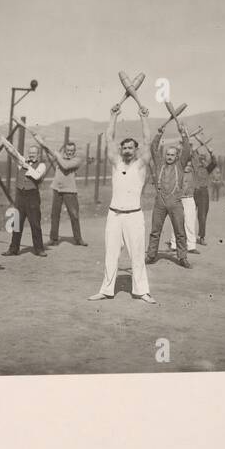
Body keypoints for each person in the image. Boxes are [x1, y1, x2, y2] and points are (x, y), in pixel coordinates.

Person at [88, 103, 157, 303]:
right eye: (124, 147)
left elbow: (147, 140)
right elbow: (109, 138)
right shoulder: (116, 163)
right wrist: (113, 116)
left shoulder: (141, 164)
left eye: (130, 147)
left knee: (137, 254)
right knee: (110, 254)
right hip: (114, 216)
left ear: (136, 150)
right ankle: (106, 290)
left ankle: (142, 291)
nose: (127, 150)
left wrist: (144, 117)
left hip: (134, 216)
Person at [145, 119, 194, 268]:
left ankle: (182, 257)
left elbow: (187, 149)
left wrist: (183, 133)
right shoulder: (160, 164)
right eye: (168, 155)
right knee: (155, 231)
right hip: (160, 202)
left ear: (177, 156)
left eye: (172, 155)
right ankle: (151, 255)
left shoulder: (180, 165)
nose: (169, 157)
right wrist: (159, 134)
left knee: (180, 231)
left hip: (175, 202)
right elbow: (153, 148)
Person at [33, 133, 86, 246]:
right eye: (68, 150)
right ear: (65, 150)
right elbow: (48, 150)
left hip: (70, 191)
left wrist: (57, 155)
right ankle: (54, 239)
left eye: (72, 150)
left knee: (74, 215)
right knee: (54, 214)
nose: (70, 152)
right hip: (57, 189)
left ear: (74, 151)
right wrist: (40, 140)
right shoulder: (60, 157)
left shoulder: (77, 160)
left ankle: (78, 239)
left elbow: (65, 166)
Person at [3, 144, 48, 257]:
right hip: (20, 195)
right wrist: (4, 144)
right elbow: (14, 153)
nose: (32, 154)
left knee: (35, 223)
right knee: (17, 223)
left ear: (38, 154)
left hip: (32, 196)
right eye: (30, 152)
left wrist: (28, 166)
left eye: (34, 152)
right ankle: (14, 249)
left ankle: (39, 249)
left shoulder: (42, 165)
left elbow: (37, 176)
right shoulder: (22, 162)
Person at [191, 145, 216, 245]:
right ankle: (188, 237)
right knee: (189, 215)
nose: (202, 161)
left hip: (203, 193)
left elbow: (214, 162)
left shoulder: (208, 169)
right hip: (193, 192)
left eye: (204, 160)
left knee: (202, 216)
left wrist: (211, 152)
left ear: (206, 161)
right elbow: (192, 155)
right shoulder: (194, 167)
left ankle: (201, 237)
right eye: (200, 159)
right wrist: (193, 150)